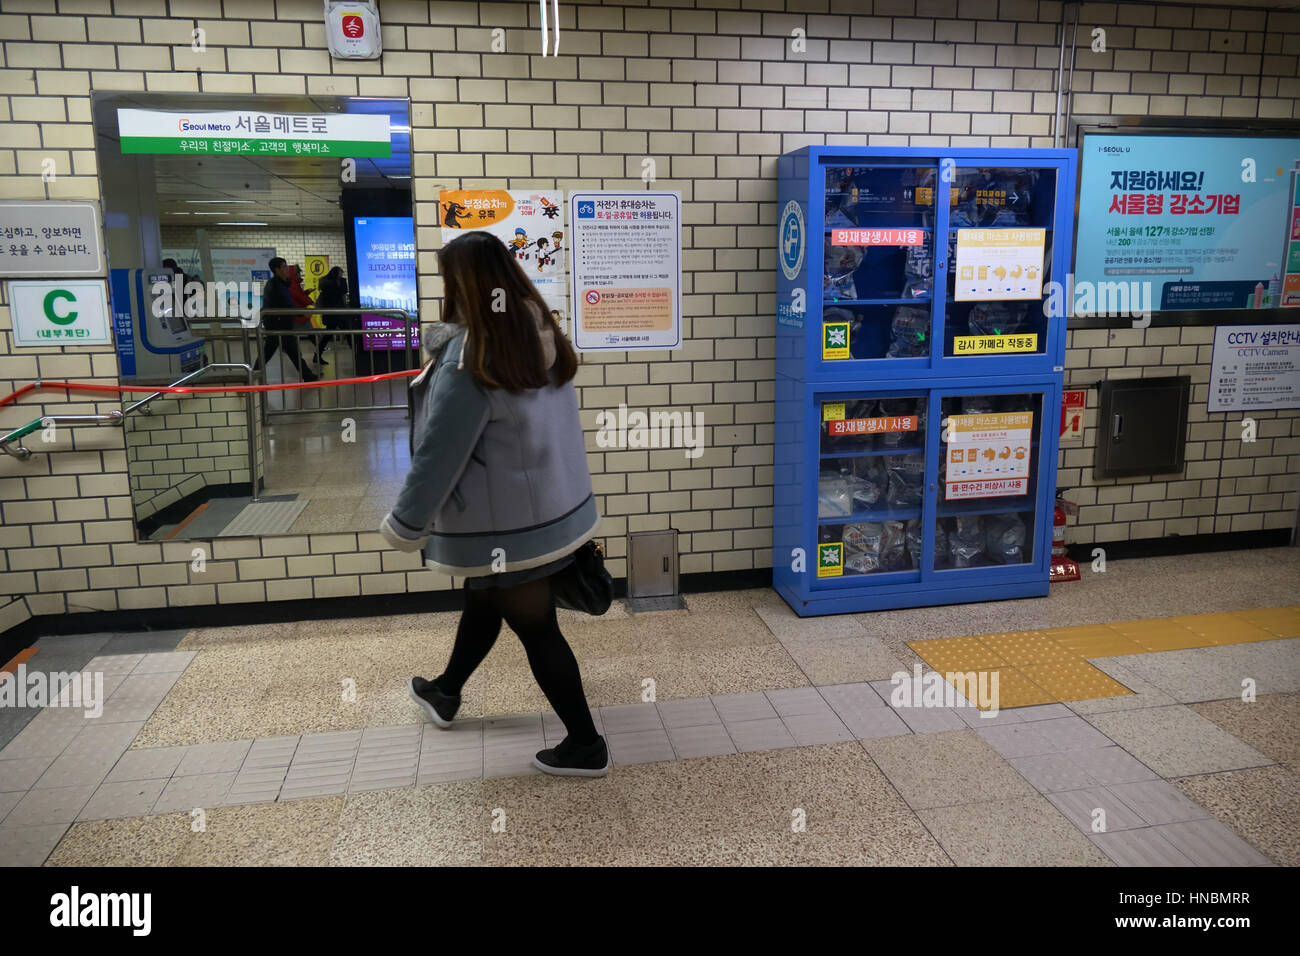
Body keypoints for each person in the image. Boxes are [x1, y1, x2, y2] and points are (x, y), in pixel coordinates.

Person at [379, 232, 608, 777]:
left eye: (445, 278)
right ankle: (445, 691)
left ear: (463, 283)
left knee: (536, 626)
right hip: (546, 509)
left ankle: (585, 744)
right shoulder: (536, 329)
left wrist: (406, 523)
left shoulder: (472, 353)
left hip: (505, 523)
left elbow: (441, 452)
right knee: (486, 596)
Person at [256, 257, 319, 382]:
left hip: (280, 323)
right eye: (284, 267)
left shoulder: (280, 283)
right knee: (269, 353)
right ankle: (251, 376)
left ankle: (307, 375)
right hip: (278, 325)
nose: (287, 269)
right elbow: (287, 304)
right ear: (277, 270)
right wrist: (302, 313)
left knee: (291, 352)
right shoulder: (276, 285)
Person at [313, 266, 350, 354]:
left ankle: (317, 355)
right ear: (337, 273)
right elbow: (343, 291)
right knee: (348, 332)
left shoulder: (326, 284)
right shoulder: (332, 284)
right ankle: (357, 353)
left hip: (332, 314)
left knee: (328, 335)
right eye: (341, 273)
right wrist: (342, 282)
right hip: (337, 313)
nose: (342, 275)